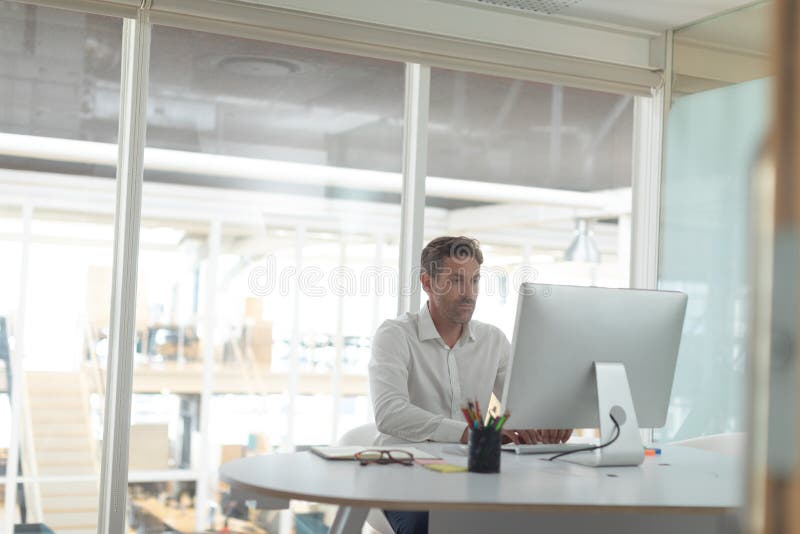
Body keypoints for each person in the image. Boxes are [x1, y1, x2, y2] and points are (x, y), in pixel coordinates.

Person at [368, 236, 572, 534]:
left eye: (474, 281)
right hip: (407, 471)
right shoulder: (396, 335)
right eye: (455, 280)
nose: (468, 293)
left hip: (472, 473)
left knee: (542, 516)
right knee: (429, 527)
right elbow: (389, 412)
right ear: (427, 282)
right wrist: (469, 433)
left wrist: (547, 423)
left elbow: (523, 403)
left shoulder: (493, 340)